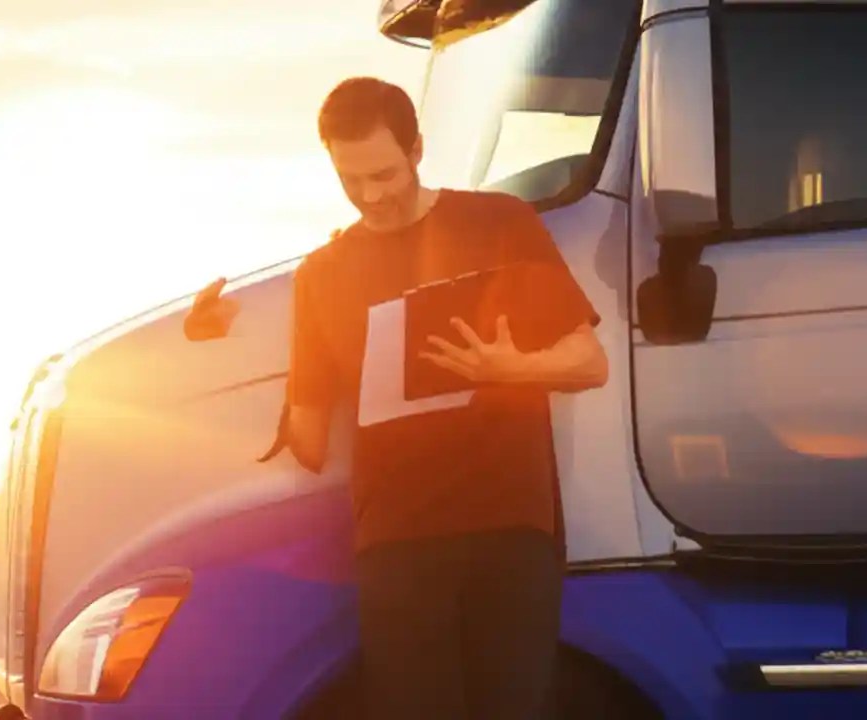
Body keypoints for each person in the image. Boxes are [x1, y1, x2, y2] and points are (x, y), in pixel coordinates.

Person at [188, 76, 607, 719]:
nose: (369, 196)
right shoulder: (323, 274)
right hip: (396, 544)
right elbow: (307, 439)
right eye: (350, 181)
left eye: (383, 174)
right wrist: (218, 345)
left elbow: (589, 363)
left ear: (417, 150)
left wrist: (505, 368)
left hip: (509, 529)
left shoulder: (500, 223)